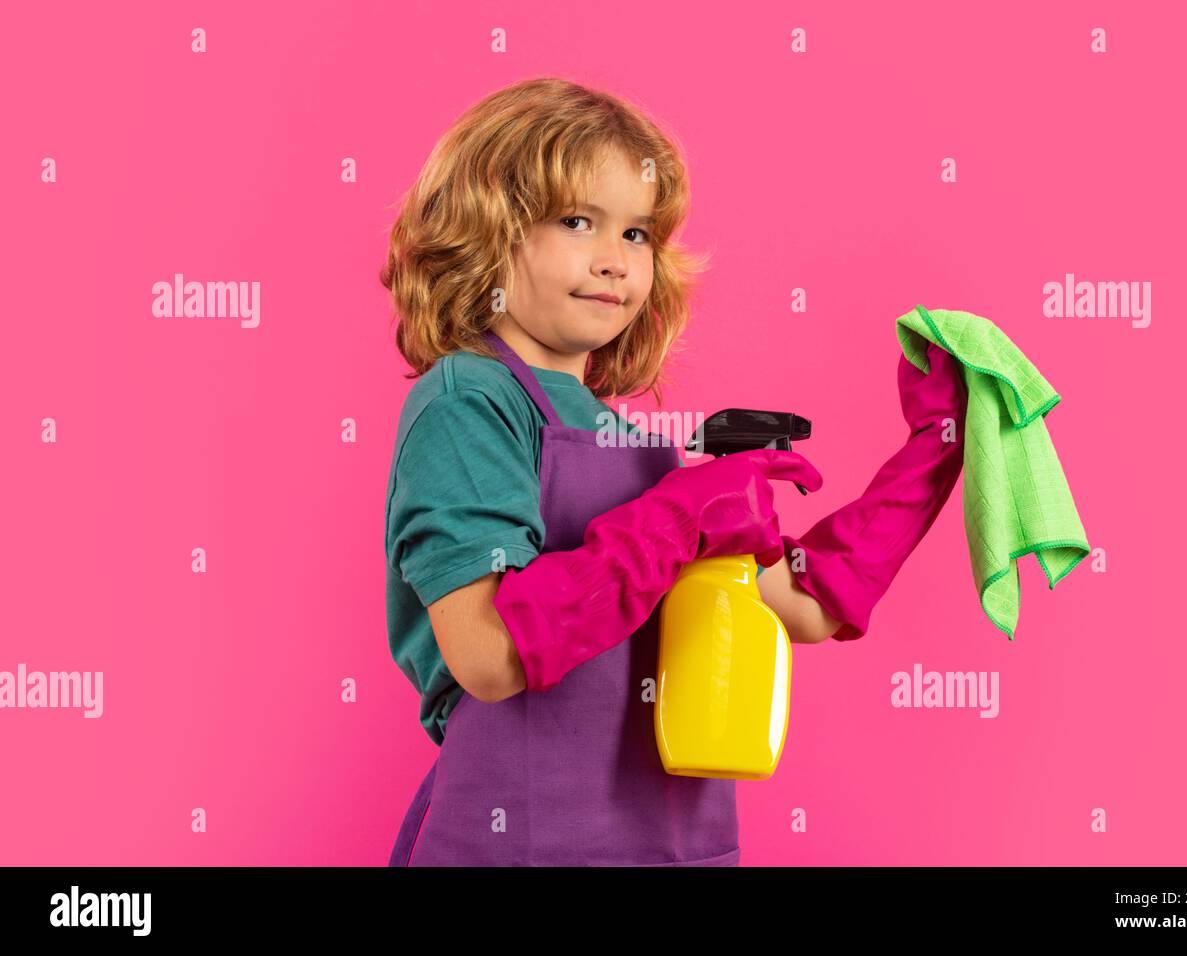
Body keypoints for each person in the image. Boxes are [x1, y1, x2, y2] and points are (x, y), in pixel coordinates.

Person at [380, 76, 968, 866]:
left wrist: (934, 449)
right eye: (578, 221)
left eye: (636, 235)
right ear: (488, 231)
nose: (614, 260)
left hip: (675, 845)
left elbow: (798, 607)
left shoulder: (632, 442)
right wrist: (681, 518)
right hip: (521, 840)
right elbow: (488, 653)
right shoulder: (466, 401)